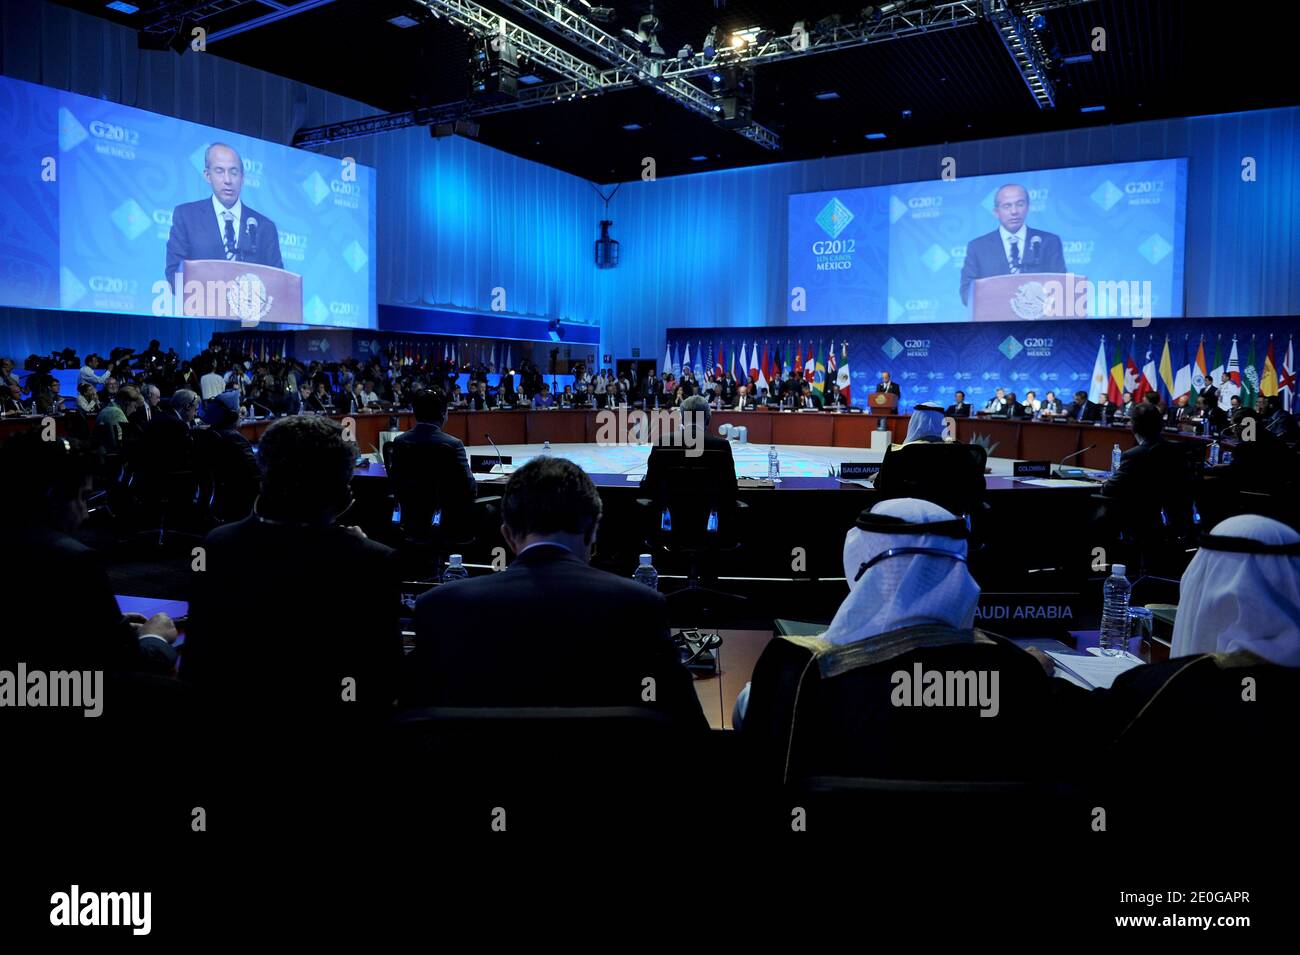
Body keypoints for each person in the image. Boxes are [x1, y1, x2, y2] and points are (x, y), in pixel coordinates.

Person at [735, 498, 1050, 783]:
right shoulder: (1015, 674)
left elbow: (747, 719)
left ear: (860, 562)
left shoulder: (798, 672)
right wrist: (1031, 669)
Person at [409, 456, 707, 729]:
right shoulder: (641, 606)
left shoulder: (439, 609)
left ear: (508, 535)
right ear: (593, 531)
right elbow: (689, 731)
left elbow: (408, 726)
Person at [1, 432, 178, 676]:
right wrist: (153, 637)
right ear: (54, 495)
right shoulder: (73, 560)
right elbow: (132, 667)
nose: (86, 514)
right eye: (83, 497)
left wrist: (98, 623)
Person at [165, 142, 284, 286]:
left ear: (242, 177)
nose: (227, 180)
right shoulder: (186, 217)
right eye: (220, 171)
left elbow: (279, 283)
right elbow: (174, 275)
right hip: (201, 306)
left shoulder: (264, 227)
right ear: (208, 176)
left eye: (234, 172)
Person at [959, 182, 1067, 306]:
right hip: (996, 321)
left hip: (1039, 321)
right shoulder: (977, 247)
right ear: (996, 212)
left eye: (1020, 204)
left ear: (1028, 207)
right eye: (1007, 206)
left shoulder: (1049, 242)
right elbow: (967, 293)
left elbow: (1061, 287)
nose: (1014, 211)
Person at [1097, 402, 1193, 530]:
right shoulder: (1178, 450)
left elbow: (1109, 489)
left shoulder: (1134, 455)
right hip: (1172, 521)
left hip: (1138, 521)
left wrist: (1105, 483)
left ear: (1133, 425)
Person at [641, 395, 737, 508]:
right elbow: (731, 489)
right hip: (710, 515)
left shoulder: (662, 442)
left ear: (682, 418)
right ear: (708, 419)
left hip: (669, 514)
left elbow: (651, 486)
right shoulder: (722, 446)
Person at [389, 388, 475, 506]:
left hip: (411, 515)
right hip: (448, 517)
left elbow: (395, 483)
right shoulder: (453, 445)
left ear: (415, 413)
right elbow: (470, 487)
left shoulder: (400, 441)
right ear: (443, 414)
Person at [95, 385, 144, 451]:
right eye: (135, 406)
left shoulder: (107, 409)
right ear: (127, 401)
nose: (135, 410)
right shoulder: (116, 413)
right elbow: (120, 445)